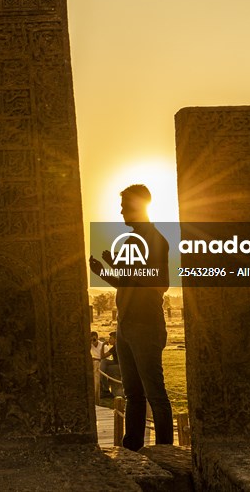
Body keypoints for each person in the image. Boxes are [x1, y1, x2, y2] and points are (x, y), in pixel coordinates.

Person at [89, 184, 172, 450]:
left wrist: (120, 264)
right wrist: (104, 271)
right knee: (133, 393)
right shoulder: (133, 241)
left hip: (145, 325)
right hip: (126, 325)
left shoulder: (155, 240)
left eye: (125, 206)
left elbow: (161, 283)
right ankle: (132, 449)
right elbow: (127, 285)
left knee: (155, 393)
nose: (121, 212)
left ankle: (165, 452)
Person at [100, 330, 120, 398]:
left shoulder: (116, 347)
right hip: (115, 362)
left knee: (105, 367)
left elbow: (102, 356)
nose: (109, 340)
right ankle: (101, 378)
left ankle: (102, 383)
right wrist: (103, 345)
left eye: (111, 338)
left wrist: (103, 345)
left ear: (115, 339)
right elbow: (103, 357)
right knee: (104, 362)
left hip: (119, 366)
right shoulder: (114, 347)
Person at [89, 331, 106, 402]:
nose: (93, 341)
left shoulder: (103, 345)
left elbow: (105, 358)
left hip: (101, 364)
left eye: (94, 339)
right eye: (91, 339)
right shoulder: (89, 346)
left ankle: (96, 396)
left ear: (97, 338)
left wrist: (96, 359)